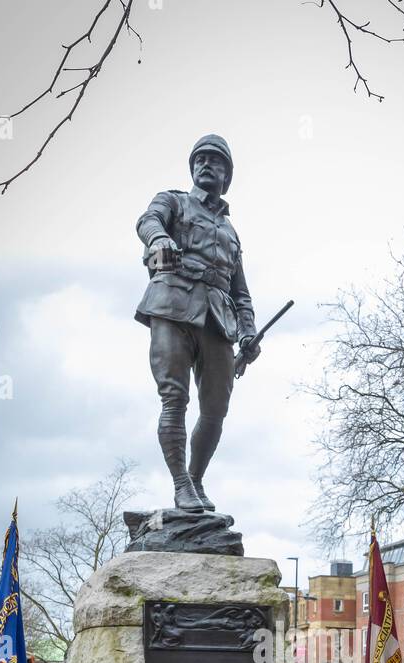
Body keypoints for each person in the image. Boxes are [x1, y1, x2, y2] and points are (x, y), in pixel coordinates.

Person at [134, 134, 260, 513]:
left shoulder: (233, 233)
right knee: (174, 397)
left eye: (215, 161)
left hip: (218, 322)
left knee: (216, 410)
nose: (206, 165)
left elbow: (241, 292)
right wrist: (159, 239)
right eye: (200, 159)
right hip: (172, 304)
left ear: (227, 174)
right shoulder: (173, 201)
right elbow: (148, 221)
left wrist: (248, 332)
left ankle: (195, 479)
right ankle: (180, 484)